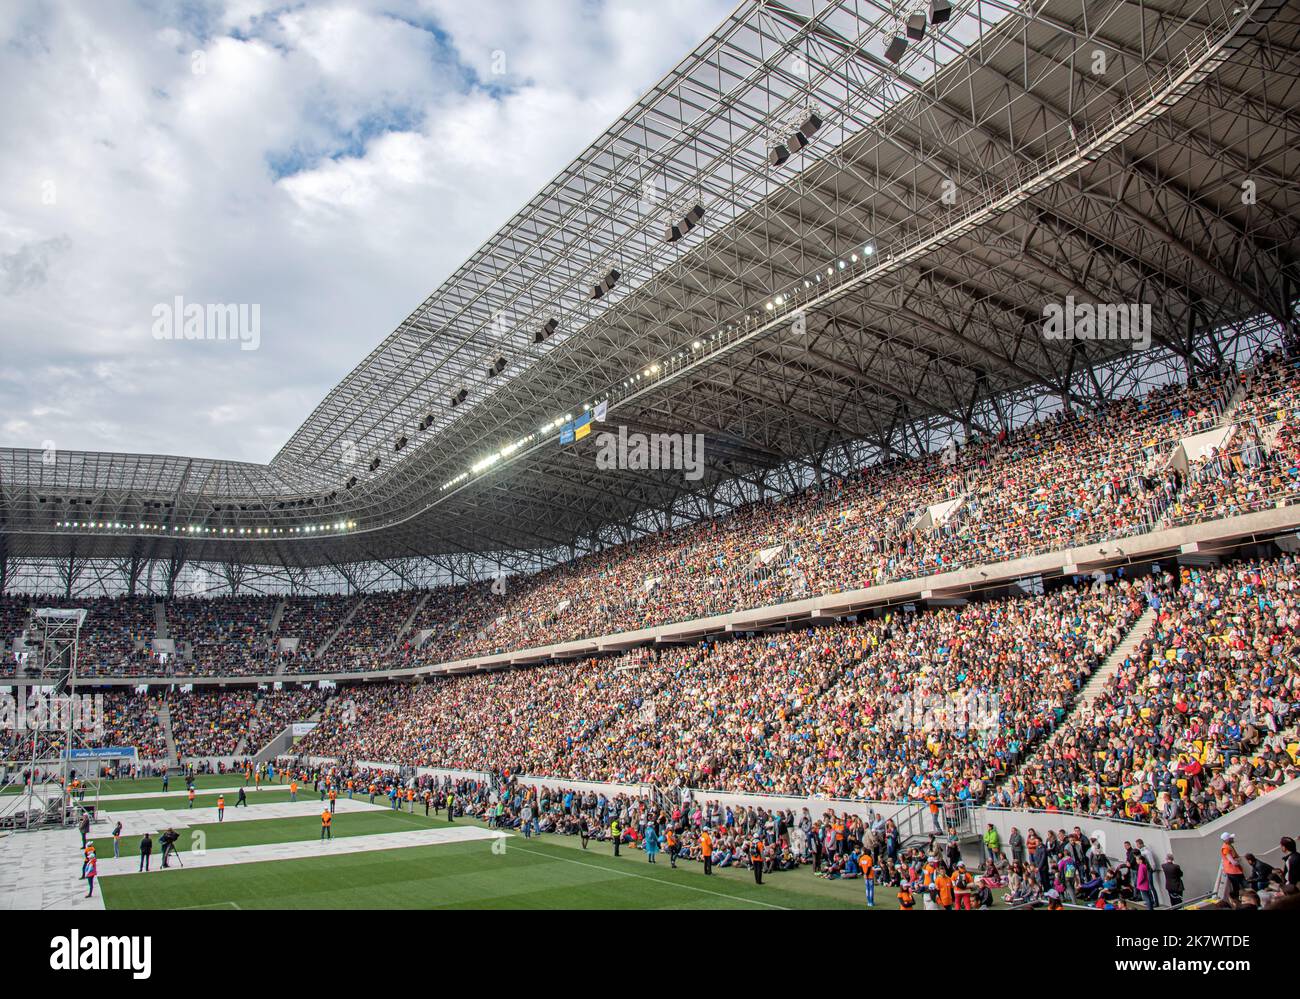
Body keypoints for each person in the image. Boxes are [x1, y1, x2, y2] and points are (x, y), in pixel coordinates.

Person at [1220, 833, 1245, 901]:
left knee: (1237, 887)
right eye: (1231, 838)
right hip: (1233, 871)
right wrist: (1238, 860)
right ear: (1227, 839)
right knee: (1241, 886)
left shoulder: (1228, 846)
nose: (1233, 839)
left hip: (1232, 871)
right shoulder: (1226, 848)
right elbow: (1233, 862)